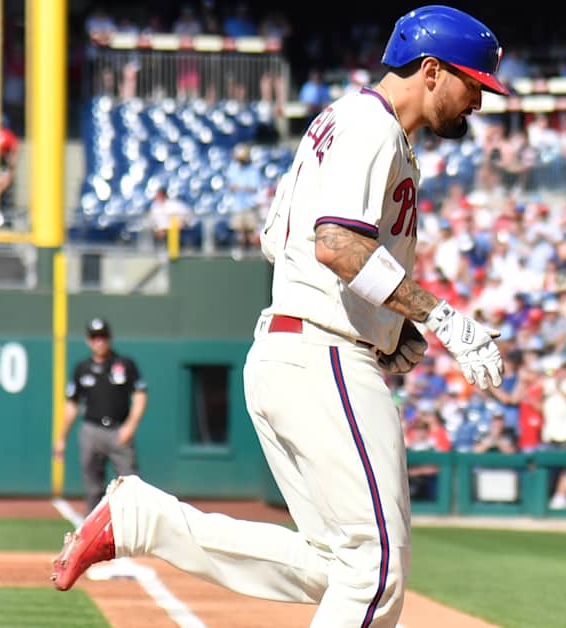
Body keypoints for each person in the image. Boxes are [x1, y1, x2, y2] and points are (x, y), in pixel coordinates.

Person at [50, 6, 508, 626]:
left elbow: (277, 239)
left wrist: (386, 323)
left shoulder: (343, 123)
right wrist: (441, 318)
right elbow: (337, 245)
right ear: (431, 71)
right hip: (324, 356)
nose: (478, 100)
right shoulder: (370, 126)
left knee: (334, 565)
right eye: (473, 83)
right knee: (375, 568)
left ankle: (141, 519)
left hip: (293, 351)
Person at [55, 318, 148, 515]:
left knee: (131, 485)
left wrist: (130, 426)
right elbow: (71, 404)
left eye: (103, 336)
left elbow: (140, 396)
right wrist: (61, 438)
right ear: (88, 340)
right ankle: (95, 530)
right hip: (91, 430)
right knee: (93, 488)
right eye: (94, 337)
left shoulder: (124, 364)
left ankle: (132, 527)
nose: (99, 341)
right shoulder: (82, 368)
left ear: (109, 338)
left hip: (118, 429)